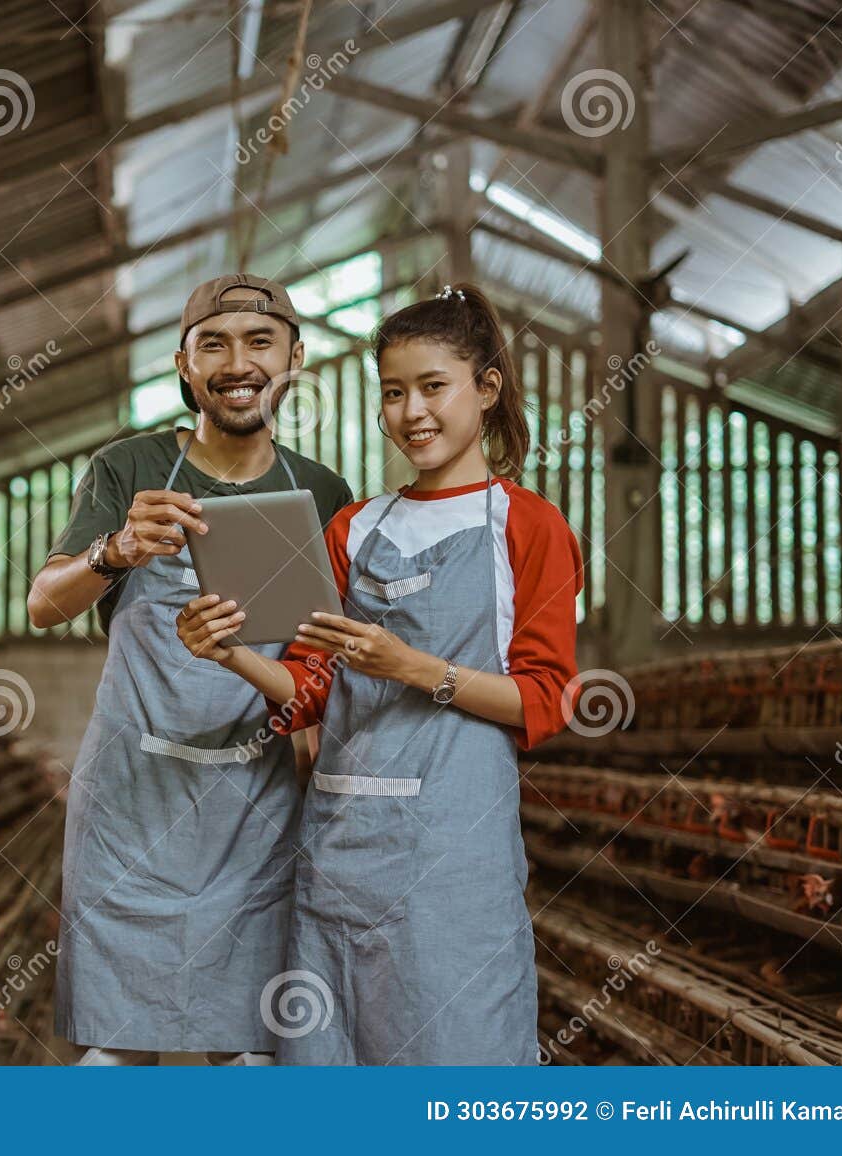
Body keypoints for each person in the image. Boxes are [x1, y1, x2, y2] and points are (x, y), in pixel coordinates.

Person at [176, 283, 583, 1064]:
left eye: (434, 387)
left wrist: (413, 667)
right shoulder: (351, 527)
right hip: (339, 857)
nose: (411, 413)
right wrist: (227, 651)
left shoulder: (527, 526)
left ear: (486, 389)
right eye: (392, 393)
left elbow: (547, 701)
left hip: (453, 868)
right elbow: (309, 690)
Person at [30, 273, 354, 1065]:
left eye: (259, 342)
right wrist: (117, 551)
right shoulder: (129, 466)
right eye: (213, 344)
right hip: (132, 802)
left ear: (294, 359)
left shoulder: (321, 492)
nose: (237, 362)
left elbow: (324, 662)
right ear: (184, 365)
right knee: (118, 1048)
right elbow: (44, 604)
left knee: (246, 1047)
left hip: (257, 802)